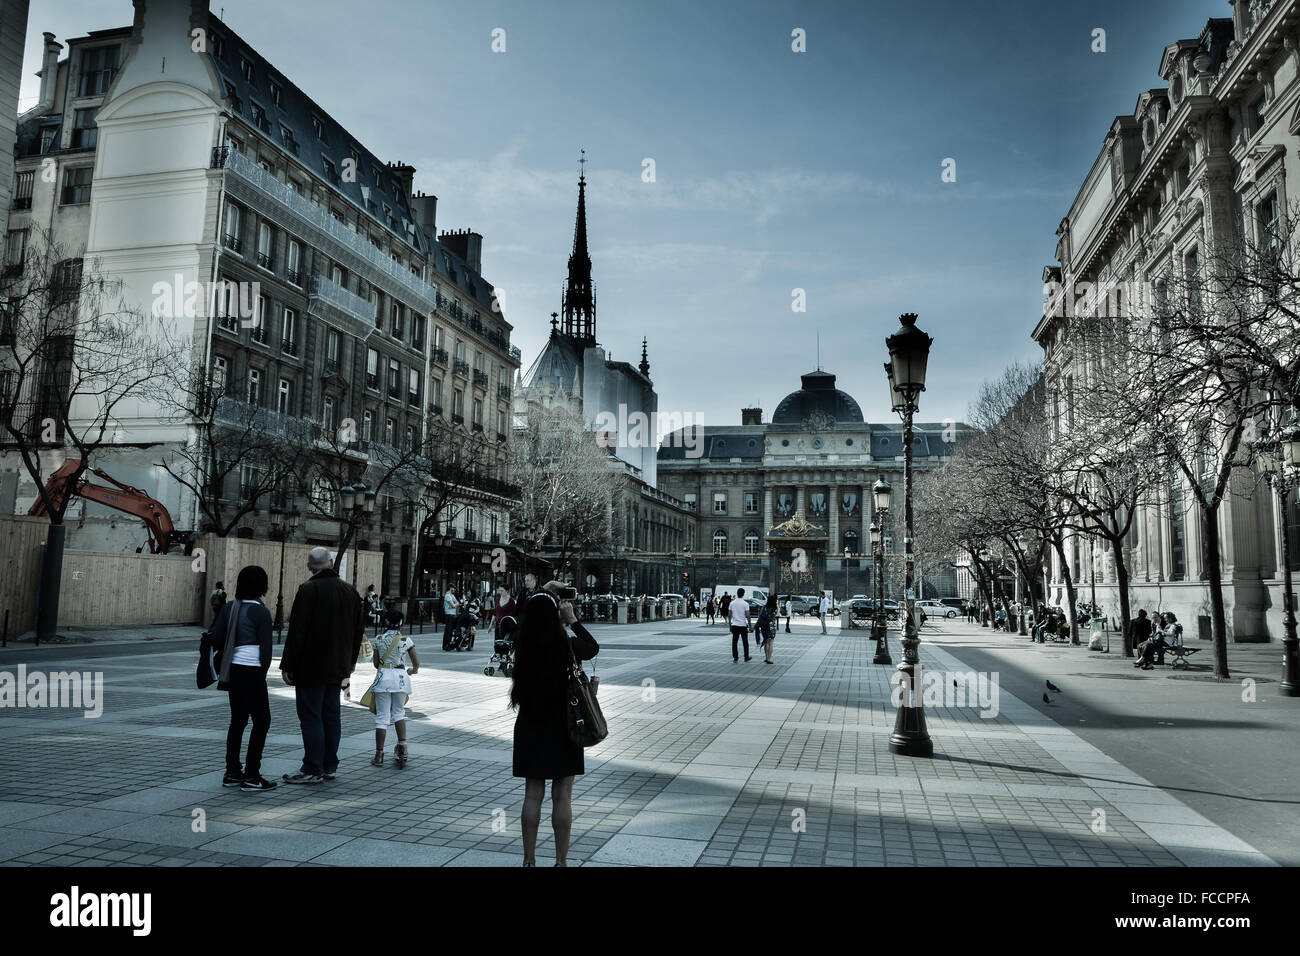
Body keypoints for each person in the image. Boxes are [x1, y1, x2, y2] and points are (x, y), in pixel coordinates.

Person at [510, 581, 599, 867]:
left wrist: (542, 592)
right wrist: (572, 620)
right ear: (555, 615)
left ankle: (528, 860)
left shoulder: (522, 644)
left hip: (530, 723)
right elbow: (593, 647)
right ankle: (561, 862)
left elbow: (524, 616)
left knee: (532, 794)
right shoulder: (568, 645)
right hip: (565, 725)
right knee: (562, 796)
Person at [280, 547, 365, 785]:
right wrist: (351, 661)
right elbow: (358, 630)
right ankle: (329, 765)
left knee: (311, 716)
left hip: (310, 666)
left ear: (310, 566)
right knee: (331, 715)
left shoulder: (308, 590)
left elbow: (297, 631)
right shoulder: (350, 591)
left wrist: (288, 664)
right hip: (339, 665)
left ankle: (312, 767)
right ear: (331, 563)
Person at [213, 565, 276, 792]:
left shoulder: (230, 607)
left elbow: (216, 637)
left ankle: (232, 771)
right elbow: (266, 651)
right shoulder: (260, 612)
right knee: (262, 721)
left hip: (233, 670)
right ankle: (252, 775)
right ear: (262, 586)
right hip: (253, 670)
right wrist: (262, 674)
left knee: (238, 720)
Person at [368, 609, 419, 767]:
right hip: (400, 678)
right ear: (401, 624)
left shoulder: (378, 639)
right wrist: (413, 670)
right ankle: (402, 748)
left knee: (382, 717)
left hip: (383, 678)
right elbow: (416, 663)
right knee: (398, 713)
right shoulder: (406, 640)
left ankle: (379, 755)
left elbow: (376, 664)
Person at [729, 587, 751, 662]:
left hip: (735, 625)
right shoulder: (745, 604)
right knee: (745, 642)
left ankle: (735, 657)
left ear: (737, 593)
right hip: (743, 625)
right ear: (743, 594)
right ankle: (746, 657)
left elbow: (729, 615)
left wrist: (730, 625)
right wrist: (750, 626)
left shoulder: (732, 603)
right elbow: (748, 615)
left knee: (734, 642)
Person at [759, 595, 779, 664]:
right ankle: (769, 658)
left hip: (764, 626)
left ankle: (766, 657)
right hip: (772, 626)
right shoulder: (775, 608)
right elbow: (775, 616)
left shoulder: (764, 607)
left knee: (766, 642)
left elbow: (760, 615)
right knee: (771, 642)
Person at [442, 585, 460, 651]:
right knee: (448, 631)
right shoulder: (447, 596)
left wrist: (454, 605)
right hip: (449, 615)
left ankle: (448, 644)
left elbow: (457, 603)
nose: (454, 590)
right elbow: (454, 605)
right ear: (450, 588)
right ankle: (446, 645)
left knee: (450, 630)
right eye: (454, 588)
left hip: (452, 615)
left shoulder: (452, 595)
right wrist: (454, 605)